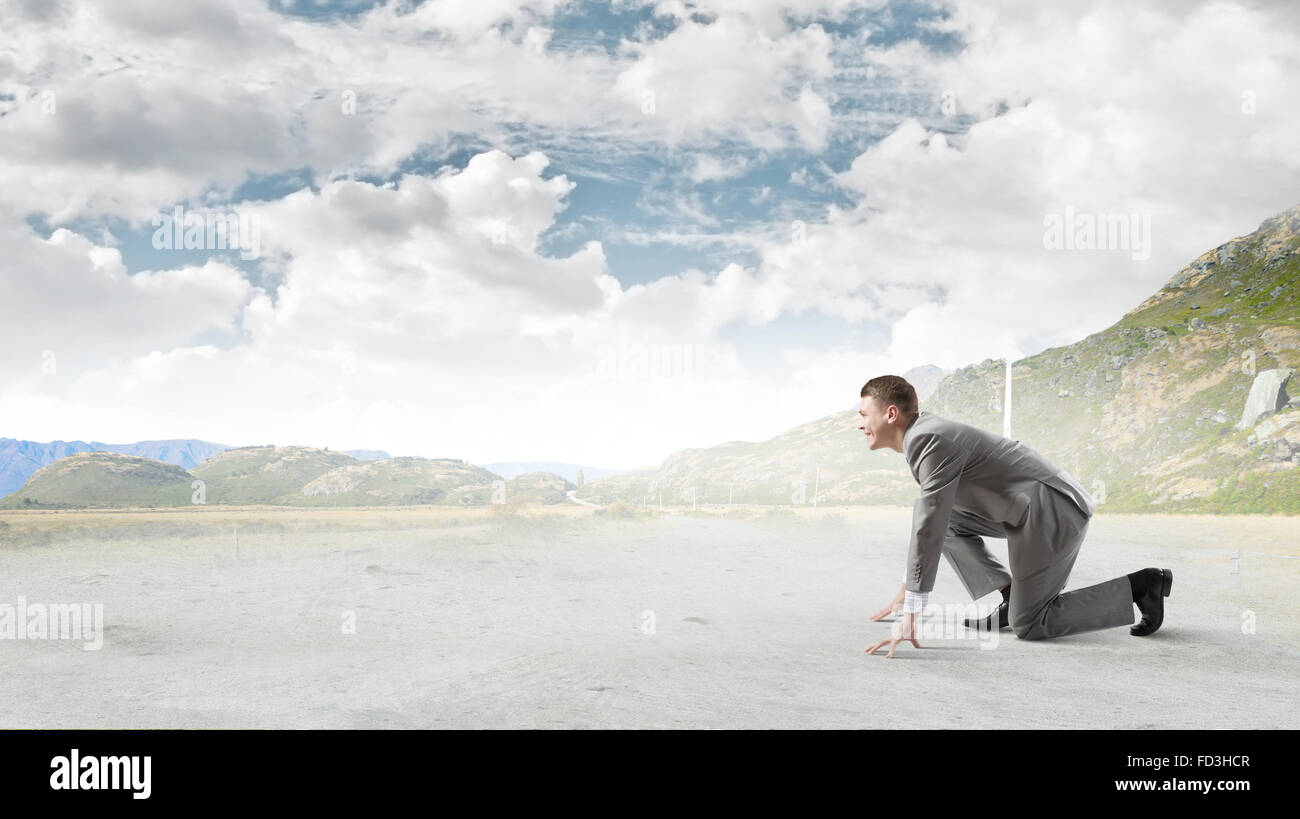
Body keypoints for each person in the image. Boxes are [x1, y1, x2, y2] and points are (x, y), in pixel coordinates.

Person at [855, 374, 1172, 658]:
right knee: (939, 518)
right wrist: (906, 586)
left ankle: (1140, 586)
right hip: (1025, 510)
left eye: (864, 414)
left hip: (1053, 509)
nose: (860, 424)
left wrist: (912, 613)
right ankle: (1011, 596)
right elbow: (933, 519)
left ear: (891, 413)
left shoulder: (930, 438)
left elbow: (930, 523)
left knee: (1031, 623)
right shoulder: (924, 436)